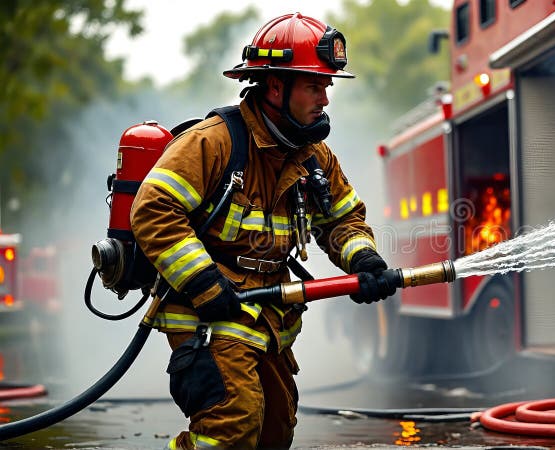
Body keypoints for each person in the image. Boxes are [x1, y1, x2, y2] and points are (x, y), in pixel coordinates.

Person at [130, 12, 395, 449]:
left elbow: (342, 220)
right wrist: (203, 282)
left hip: (267, 315)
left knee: (275, 432)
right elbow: (154, 208)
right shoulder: (213, 142)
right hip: (209, 312)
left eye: (327, 86)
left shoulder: (313, 156)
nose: (325, 99)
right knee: (231, 428)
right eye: (314, 86)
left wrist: (364, 259)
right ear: (275, 86)